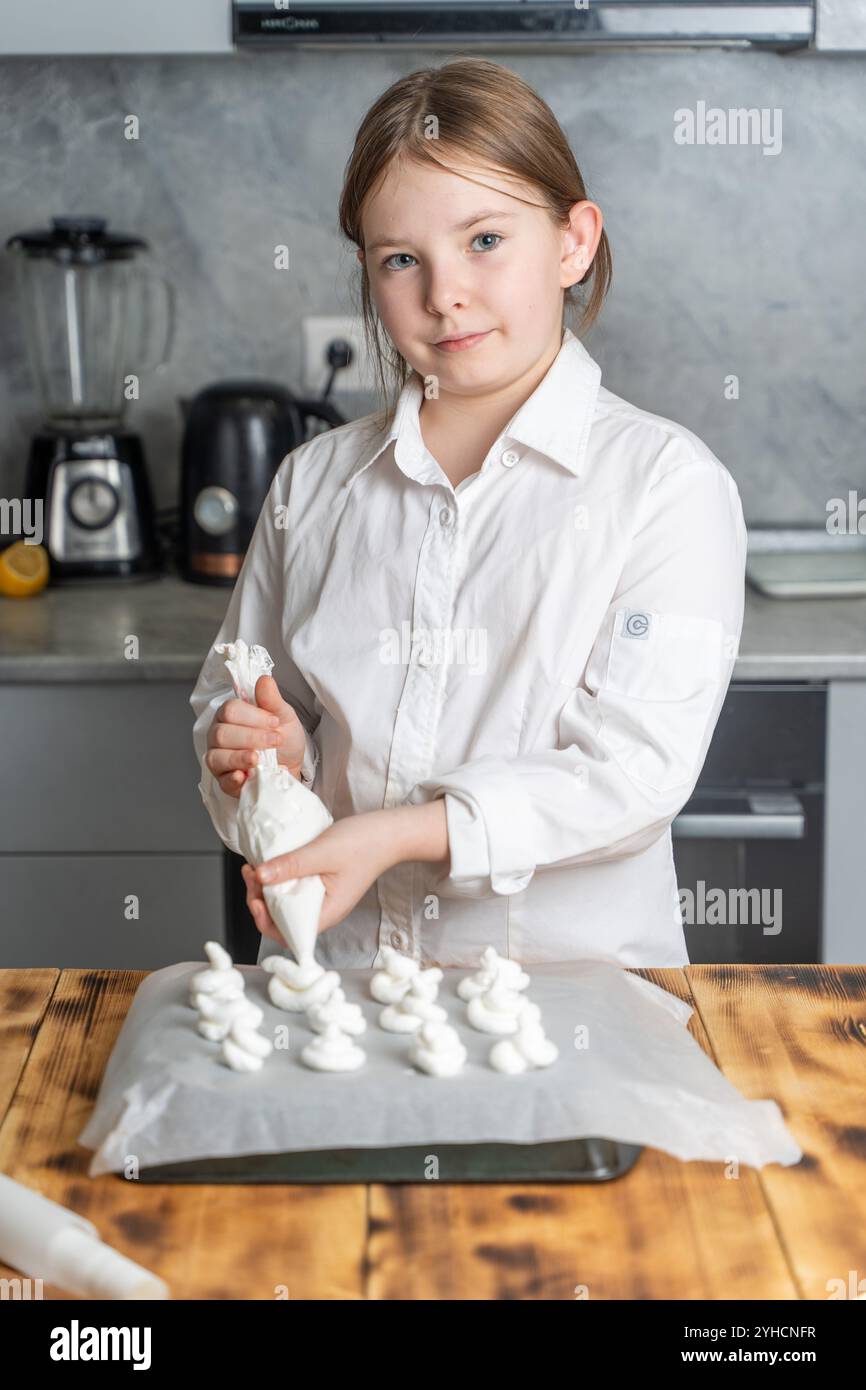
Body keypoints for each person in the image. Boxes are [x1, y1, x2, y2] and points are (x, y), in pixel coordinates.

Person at [189, 58, 746, 971]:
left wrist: (398, 835)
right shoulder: (310, 487)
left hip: (573, 1014)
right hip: (338, 997)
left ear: (574, 243)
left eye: (485, 240)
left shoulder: (665, 487)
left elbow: (632, 775)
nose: (443, 292)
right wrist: (261, 757)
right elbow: (237, 706)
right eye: (401, 259)